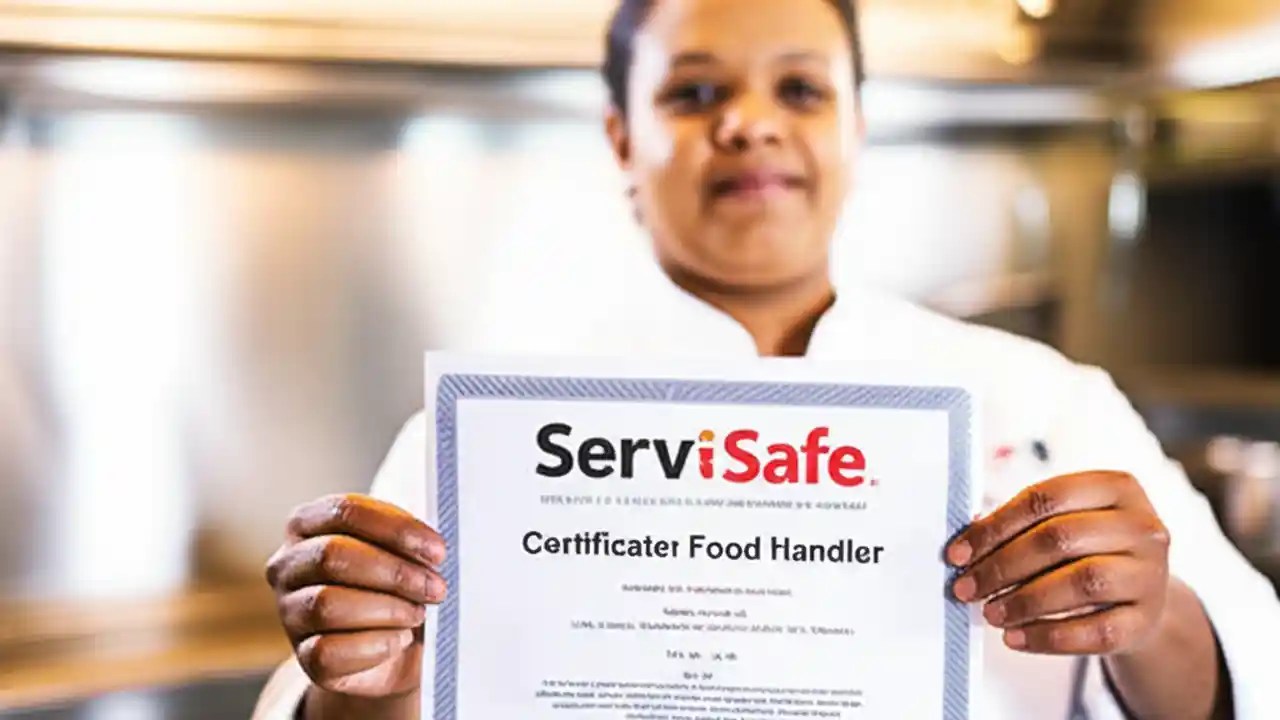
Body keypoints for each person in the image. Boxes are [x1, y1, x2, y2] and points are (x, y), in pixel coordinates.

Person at [253, 0, 1280, 717]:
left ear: (855, 130)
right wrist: (357, 670)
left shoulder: (1041, 397)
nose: (749, 124)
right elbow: (348, 703)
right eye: (693, 95)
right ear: (620, 141)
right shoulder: (485, 428)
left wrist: (1146, 618)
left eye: (799, 89)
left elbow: (1248, 681)